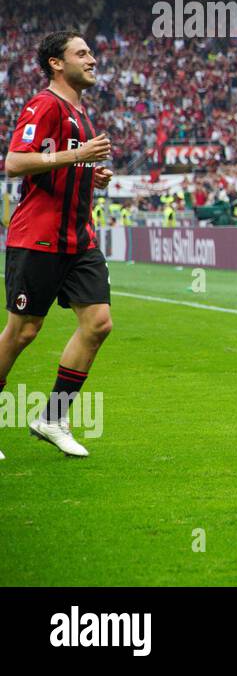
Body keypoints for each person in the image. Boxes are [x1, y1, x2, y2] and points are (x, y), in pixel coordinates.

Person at [1, 30, 114, 460]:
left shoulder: (80, 112)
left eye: (91, 51)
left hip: (78, 239)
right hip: (39, 236)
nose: (92, 59)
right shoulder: (44, 104)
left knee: (99, 323)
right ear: (56, 63)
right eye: (82, 53)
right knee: (24, 330)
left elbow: (65, 163)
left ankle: (53, 417)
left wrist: (89, 172)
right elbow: (15, 162)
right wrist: (76, 156)